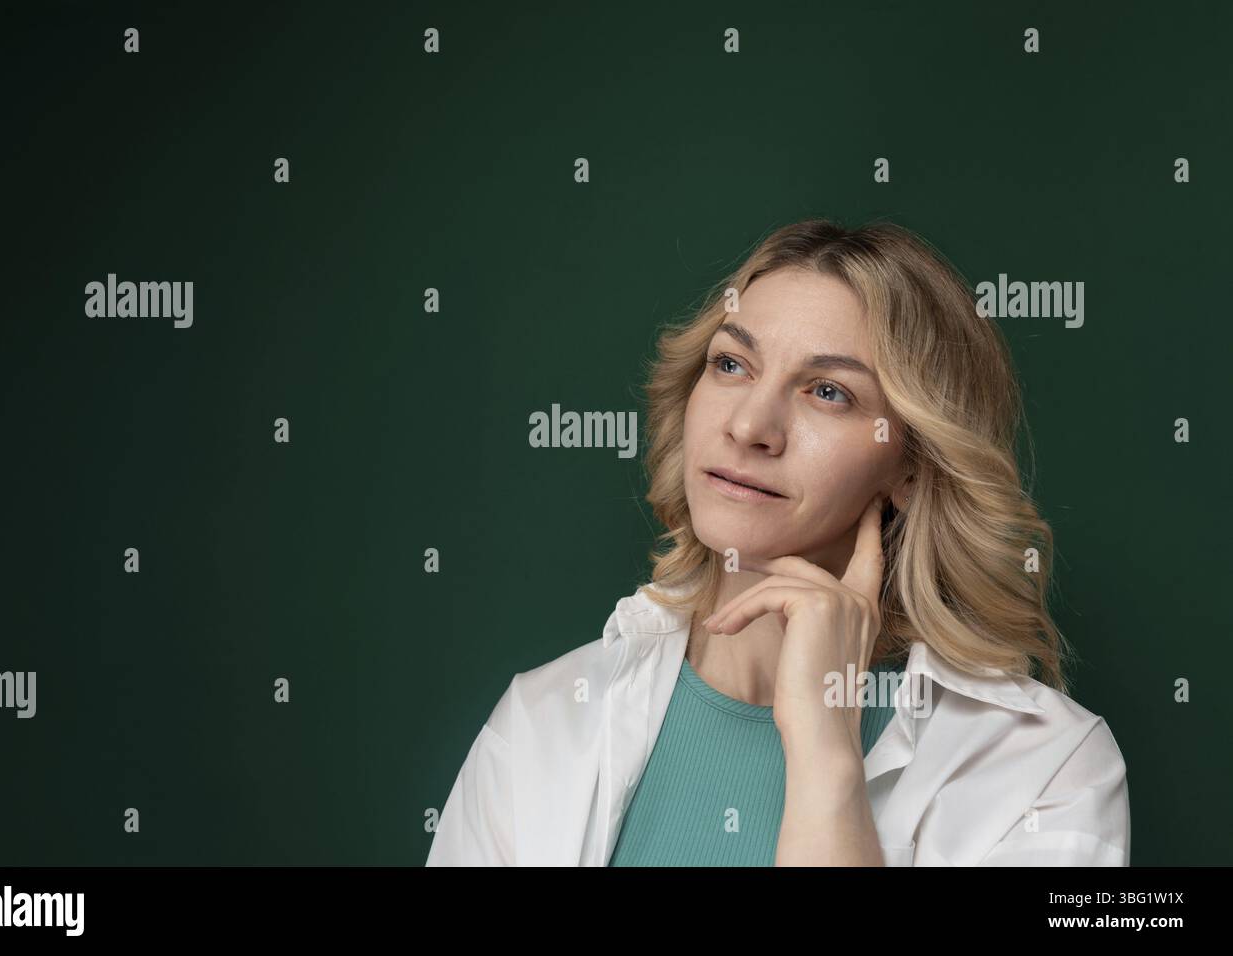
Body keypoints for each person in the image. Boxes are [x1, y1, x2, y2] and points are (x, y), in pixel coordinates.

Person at [425, 218, 1130, 866]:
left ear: (910, 466)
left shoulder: (1047, 768)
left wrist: (826, 750)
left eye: (827, 392)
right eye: (731, 364)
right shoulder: (544, 723)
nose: (750, 425)